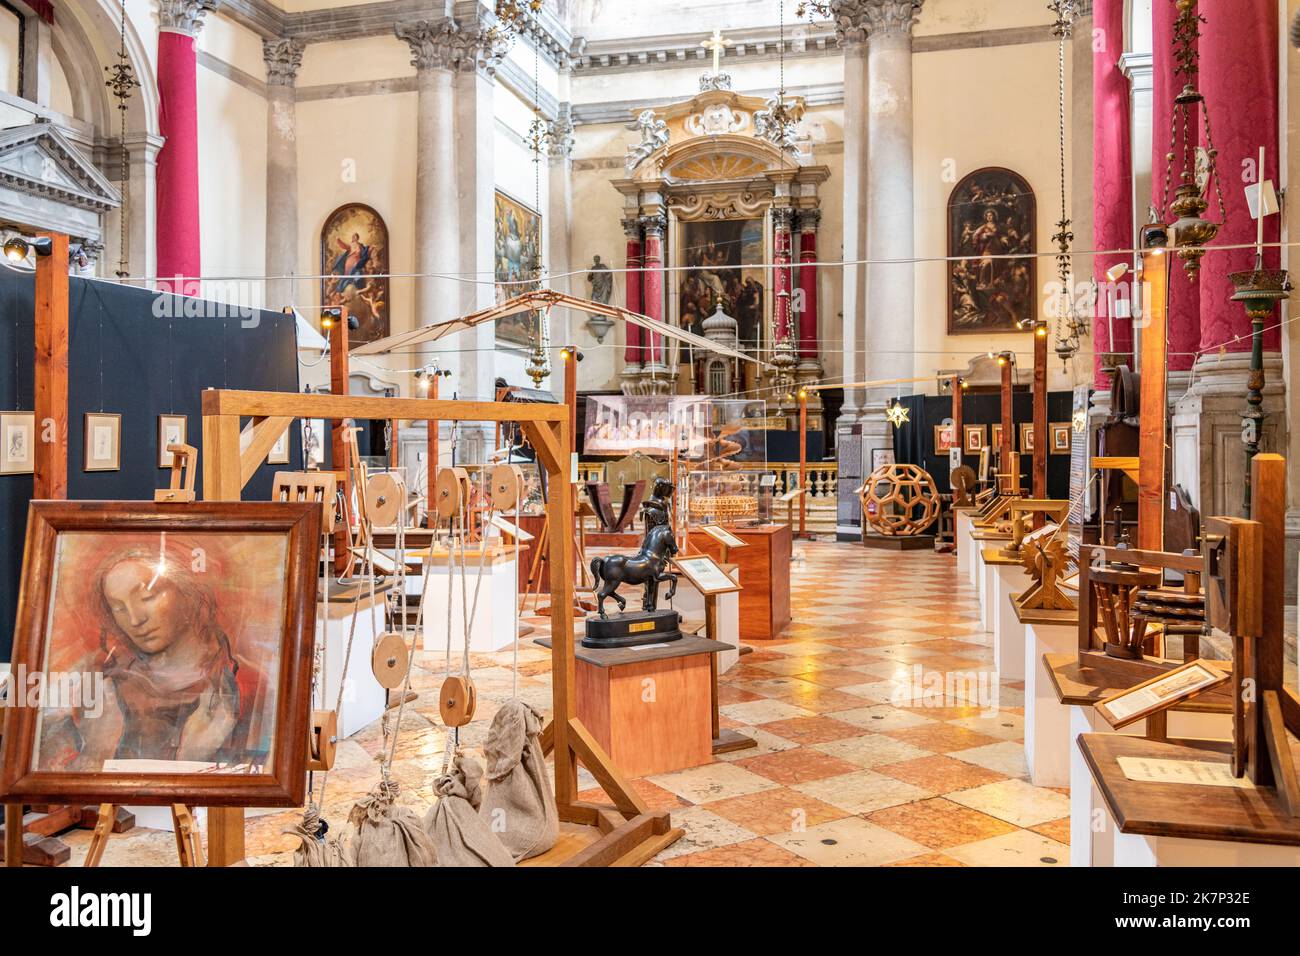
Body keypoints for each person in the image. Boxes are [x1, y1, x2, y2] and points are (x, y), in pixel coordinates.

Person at [40, 547, 271, 771]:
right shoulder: (99, 688)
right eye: (118, 608)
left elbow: (257, 782)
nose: (135, 618)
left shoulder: (243, 686)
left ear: (187, 593)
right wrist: (96, 751)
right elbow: (53, 780)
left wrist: (195, 757)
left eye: (147, 597)